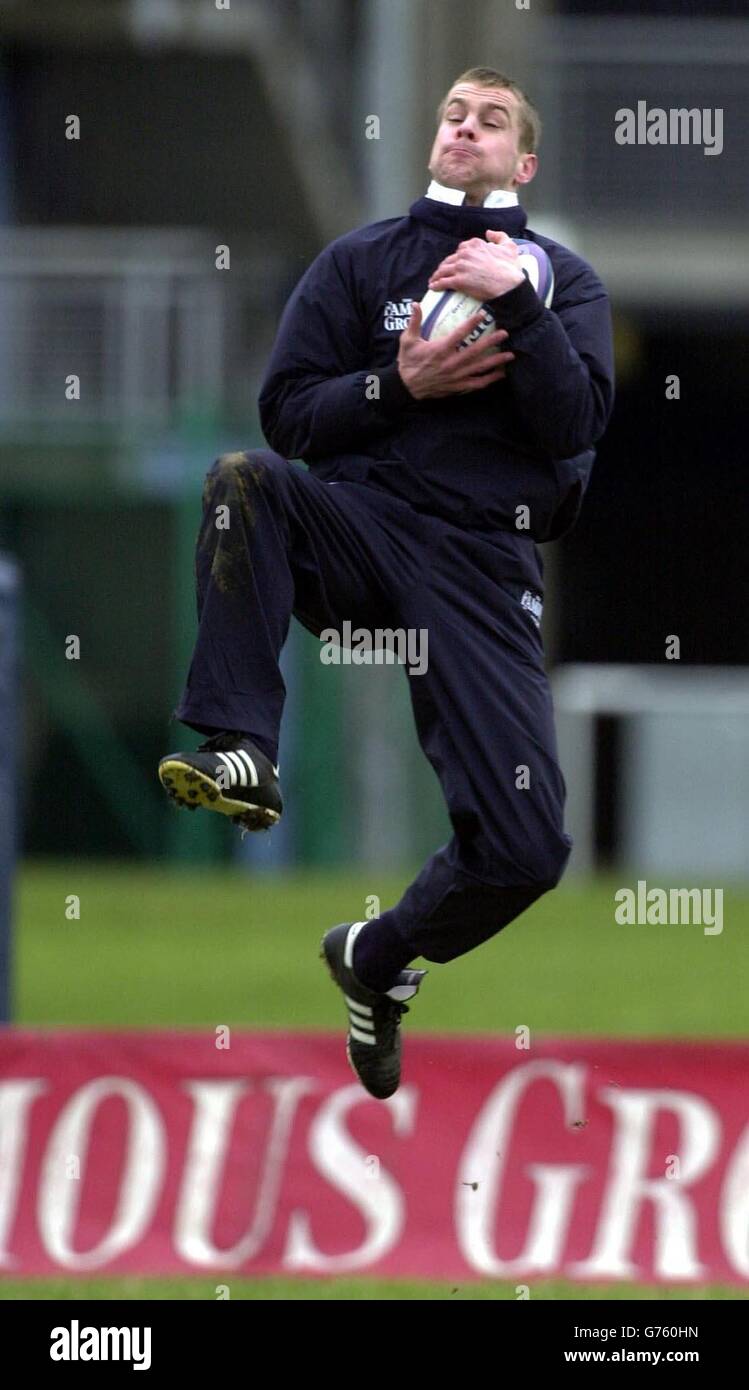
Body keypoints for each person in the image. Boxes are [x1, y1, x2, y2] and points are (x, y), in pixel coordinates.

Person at [158, 66, 615, 1100]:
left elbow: (574, 432)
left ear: (522, 160)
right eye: (453, 112)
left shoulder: (564, 281)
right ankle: (238, 746)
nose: (465, 127)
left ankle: (375, 956)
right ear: (432, 137)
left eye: (491, 120)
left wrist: (520, 314)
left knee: (524, 846)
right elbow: (287, 413)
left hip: (481, 570)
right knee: (243, 482)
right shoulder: (359, 261)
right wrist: (393, 383)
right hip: (362, 528)